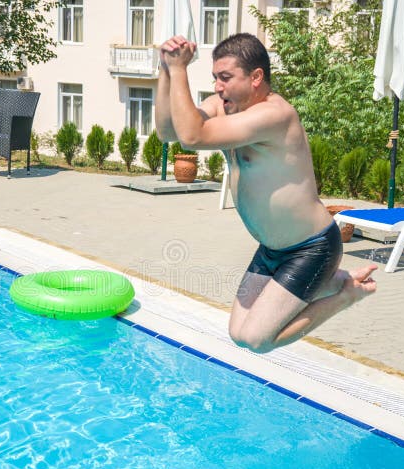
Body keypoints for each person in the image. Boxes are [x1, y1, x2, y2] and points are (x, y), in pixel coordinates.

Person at [156, 33, 377, 354]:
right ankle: (330, 280)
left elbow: (193, 136)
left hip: (311, 248)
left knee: (258, 339)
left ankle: (346, 294)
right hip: (272, 248)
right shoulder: (223, 108)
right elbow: (168, 132)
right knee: (237, 332)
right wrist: (166, 70)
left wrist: (180, 71)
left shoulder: (275, 115)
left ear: (256, 77)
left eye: (226, 78)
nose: (218, 86)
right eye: (216, 78)